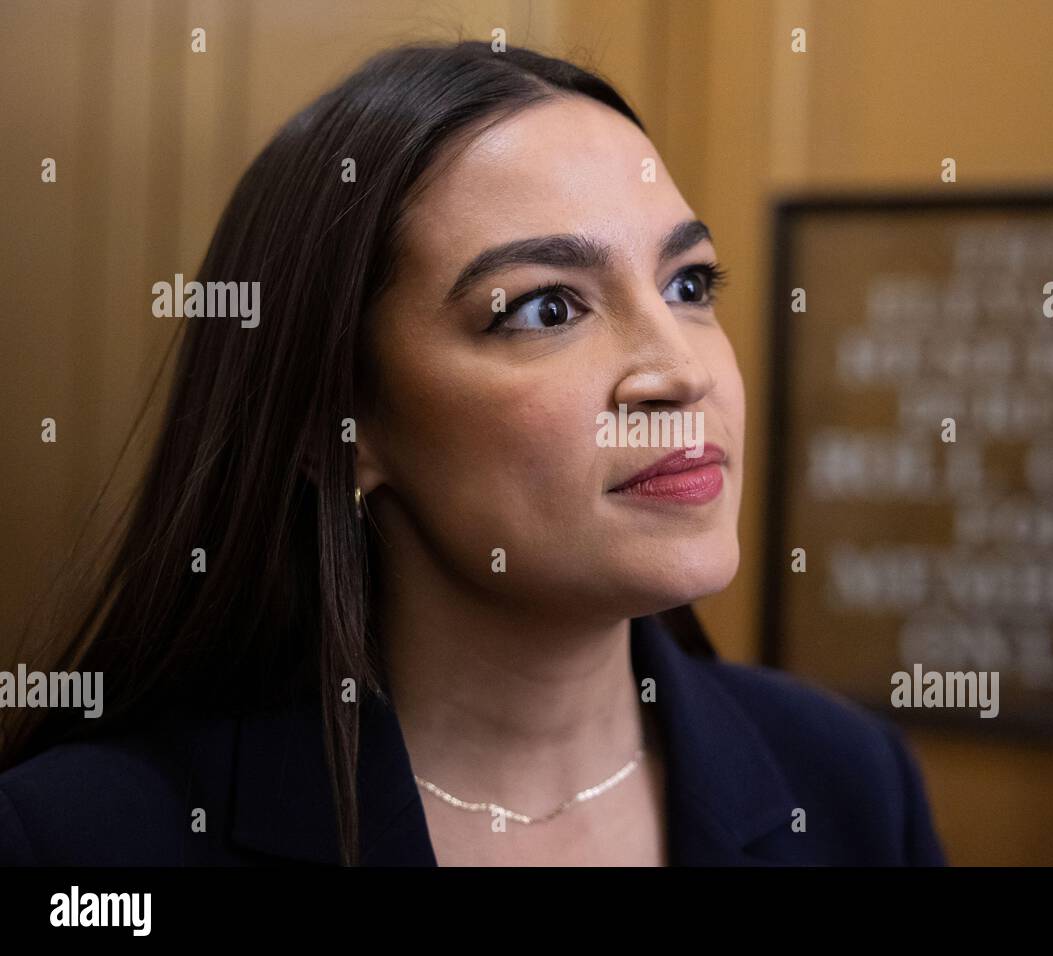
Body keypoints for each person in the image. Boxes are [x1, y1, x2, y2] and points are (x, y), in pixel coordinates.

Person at [0, 40, 945, 867]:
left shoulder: (850, 782)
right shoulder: (81, 840)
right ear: (341, 427)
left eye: (689, 283)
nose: (678, 370)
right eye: (546, 306)